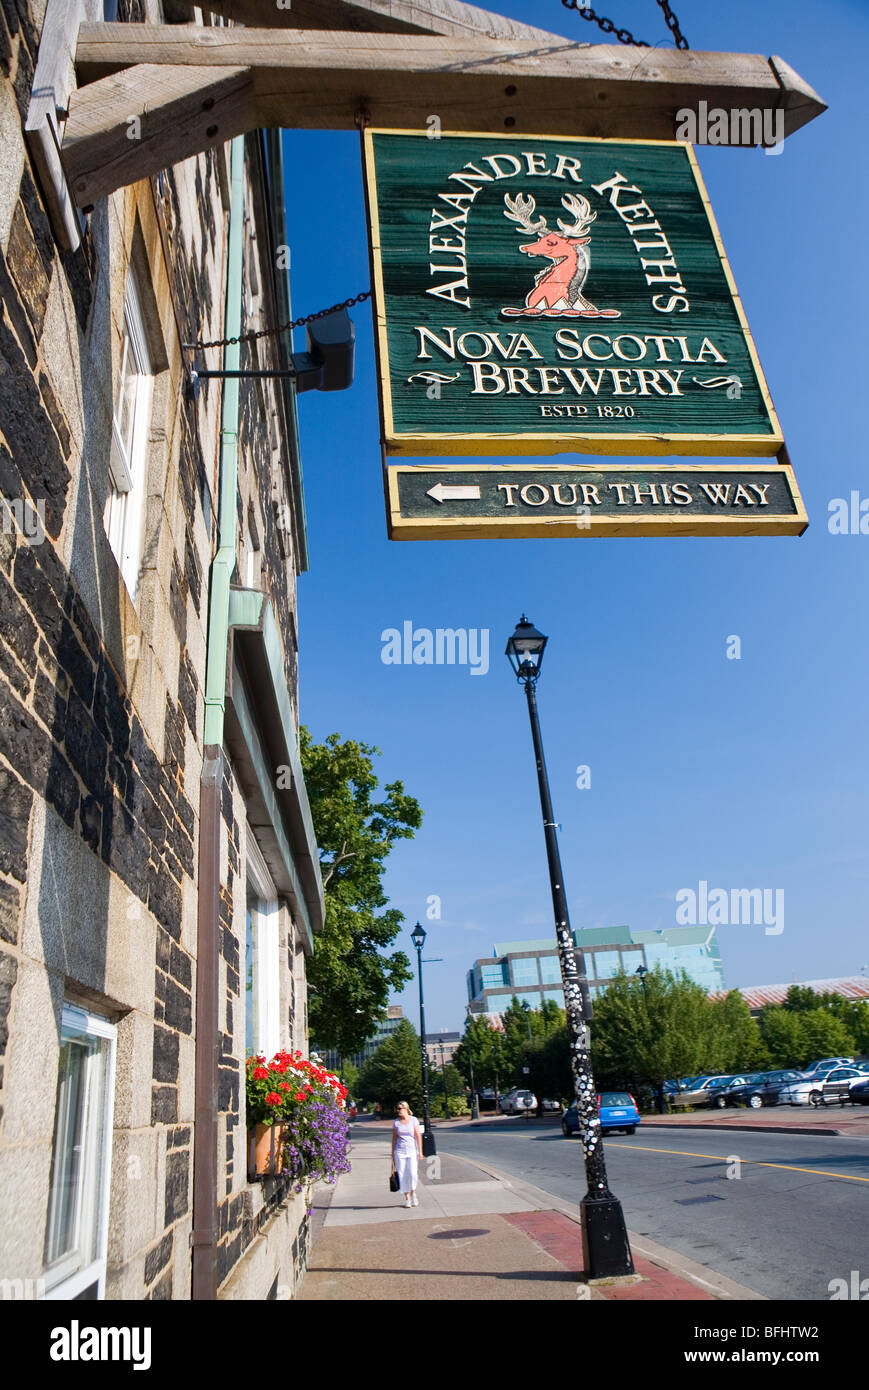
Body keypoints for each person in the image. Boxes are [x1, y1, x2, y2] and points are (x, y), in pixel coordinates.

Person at [391, 1100, 423, 1208]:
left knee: (413, 1174)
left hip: (412, 1151)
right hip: (400, 1151)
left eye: (400, 1108)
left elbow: (418, 1136)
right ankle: (407, 1198)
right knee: (402, 1174)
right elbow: (394, 1139)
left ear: (406, 1109)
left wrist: (420, 1152)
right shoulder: (396, 1122)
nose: (398, 1110)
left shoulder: (413, 1120)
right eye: (397, 1108)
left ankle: (413, 1193)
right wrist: (392, 1154)